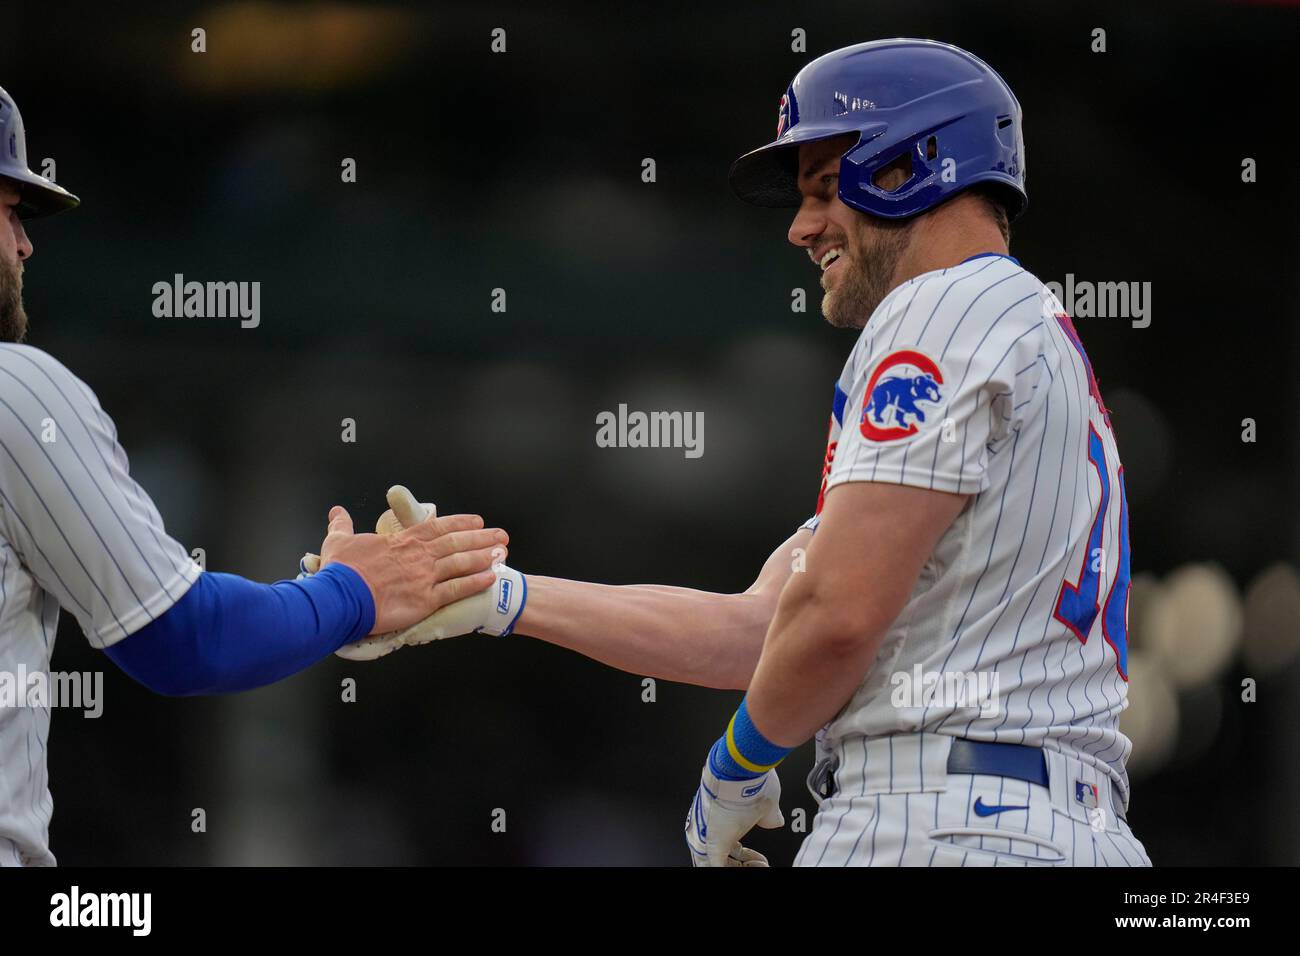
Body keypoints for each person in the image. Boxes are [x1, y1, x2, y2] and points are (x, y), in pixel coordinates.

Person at [338, 39, 1150, 868]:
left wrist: (737, 763)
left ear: (918, 165)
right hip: (1046, 822)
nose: (801, 228)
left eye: (827, 188)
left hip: (942, 822)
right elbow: (762, 629)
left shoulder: (941, 305)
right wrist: (499, 596)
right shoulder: (1025, 330)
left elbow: (834, 617)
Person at [0, 85, 507, 867]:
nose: (24, 244)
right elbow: (186, 641)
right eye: (6, 209)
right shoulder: (16, 389)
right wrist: (352, 592)